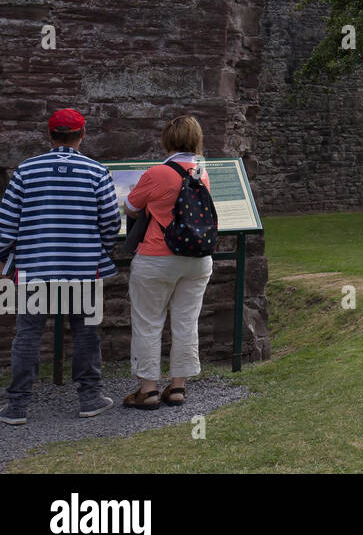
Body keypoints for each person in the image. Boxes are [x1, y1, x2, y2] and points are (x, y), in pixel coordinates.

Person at [0, 109, 118, 425]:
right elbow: (110, 221)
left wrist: (6, 258)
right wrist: (100, 251)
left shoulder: (26, 171)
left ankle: (17, 406)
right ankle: (90, 397)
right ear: (82, 134)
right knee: (85, 334)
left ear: (50, 135)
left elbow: (7, 224)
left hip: (34, 268)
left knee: (27, 335)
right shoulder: (97, 172)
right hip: (82, 268)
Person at [122, 116, 213, 409]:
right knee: (186, 322)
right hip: (197, 258)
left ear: (167, 140)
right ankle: (177, 388)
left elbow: (131, 206)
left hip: (157, 257)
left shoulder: (157, 173)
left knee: (149, 322)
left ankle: (148, 390)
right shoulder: (202, 171)